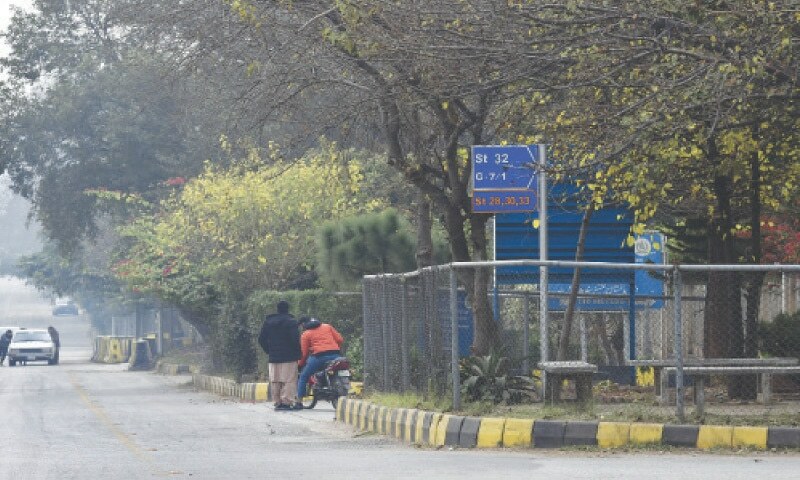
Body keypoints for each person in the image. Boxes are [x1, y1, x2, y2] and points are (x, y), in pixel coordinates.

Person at [257, 300, 302, 411]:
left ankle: (277, 402)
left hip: (274, 357)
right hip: (289, 357)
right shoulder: (291, 322)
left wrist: (269, 350)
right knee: (289, 380)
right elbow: (295, 340)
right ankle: (286, 402)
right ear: (287, 309)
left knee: (275, 380)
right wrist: (298, 353)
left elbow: (261, 339)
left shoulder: (268, 322)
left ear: (277, 309)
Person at [296, 317, 344, 404]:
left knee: (303, 377)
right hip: (335, 354)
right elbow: (340, 339)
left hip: (319, 357)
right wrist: (335, 348)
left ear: (303, 325)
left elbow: (304, 353)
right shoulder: (327, 326)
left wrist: (299, 365)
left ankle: (299, 402)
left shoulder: (306, 334)